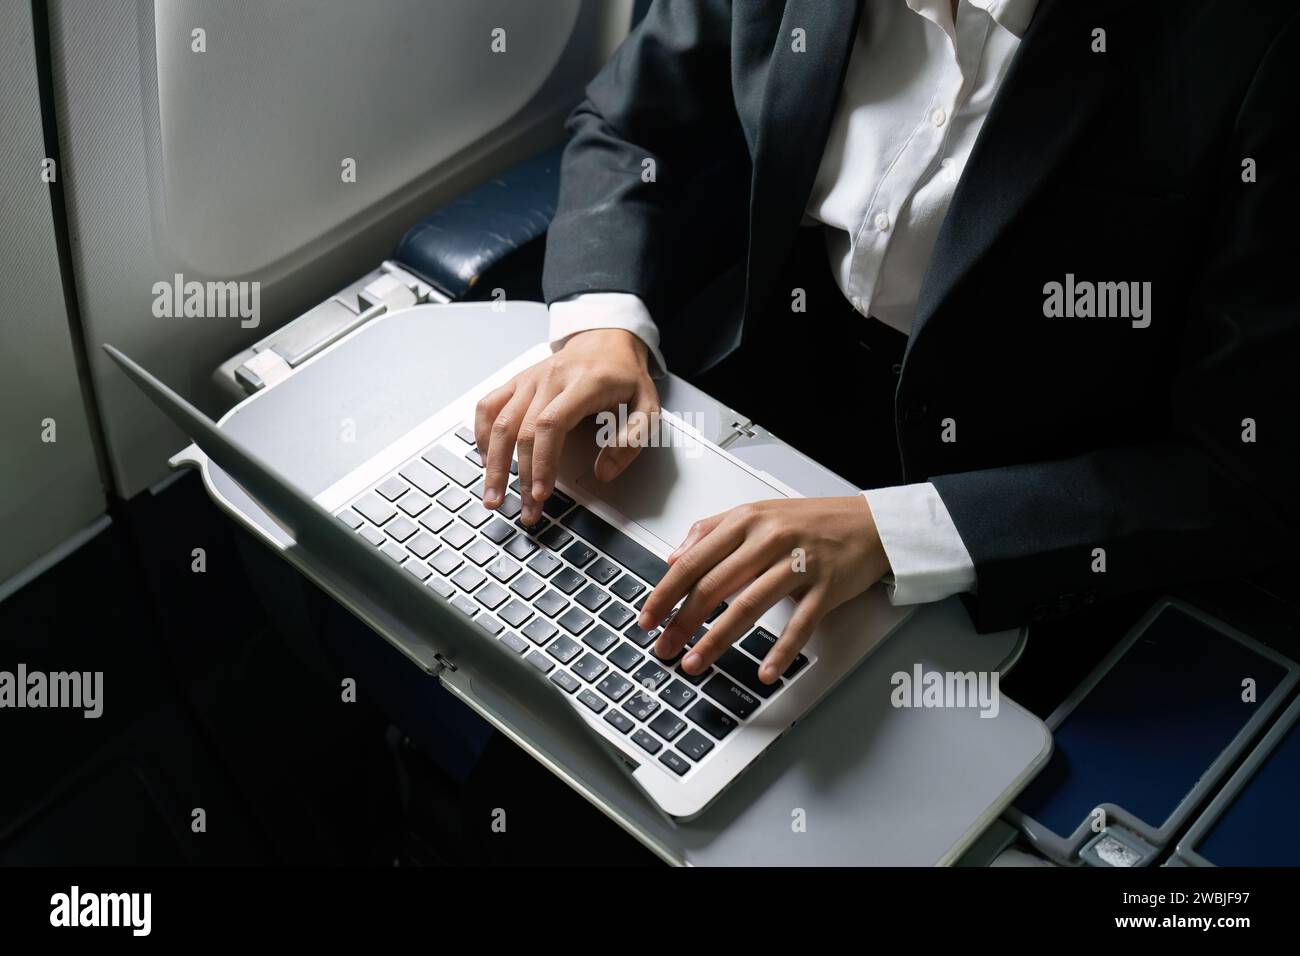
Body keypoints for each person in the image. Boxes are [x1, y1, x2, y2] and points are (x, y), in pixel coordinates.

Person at [473, 0, 1298, 684]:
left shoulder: (1258, 45)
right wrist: (602, 328)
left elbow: (1241, 467)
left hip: (1015, 497)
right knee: (546, 671)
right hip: (754, 364)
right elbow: (635, 123)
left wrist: (896, 534)